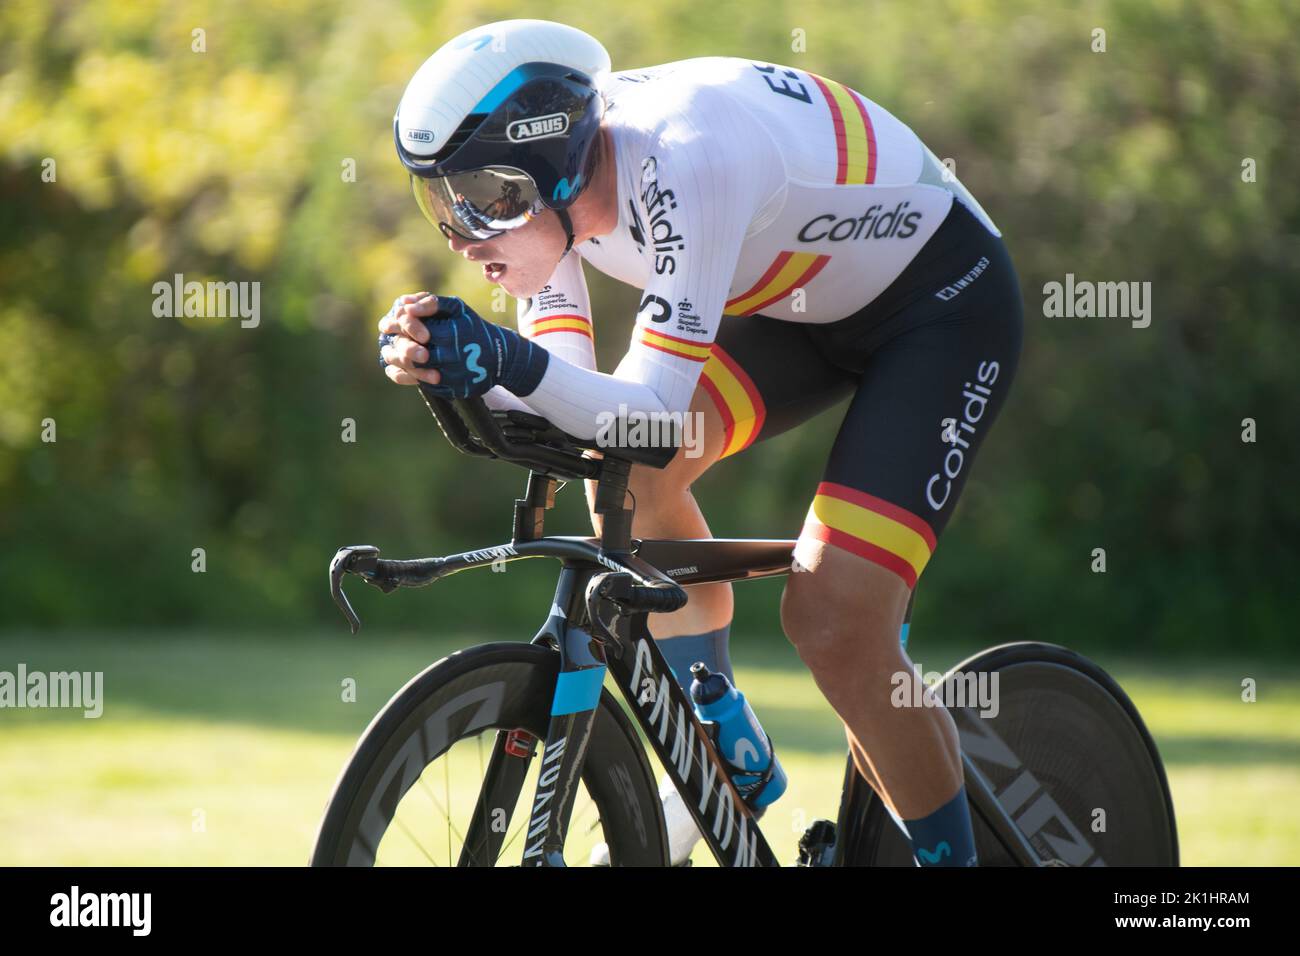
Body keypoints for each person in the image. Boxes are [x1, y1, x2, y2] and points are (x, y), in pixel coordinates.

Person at [379, 18, 1023, 868]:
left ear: (555, 166)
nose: (461, 236)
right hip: (791, 302)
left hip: (939, 304)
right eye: (440, 201)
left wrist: (503, 357)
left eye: (482, 197)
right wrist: (452, 362)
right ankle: (724, 754)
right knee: (631, 482)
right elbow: (571, 402)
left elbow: (641, 411)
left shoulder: (684, 160)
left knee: (832, 620)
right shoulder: (561, 200)